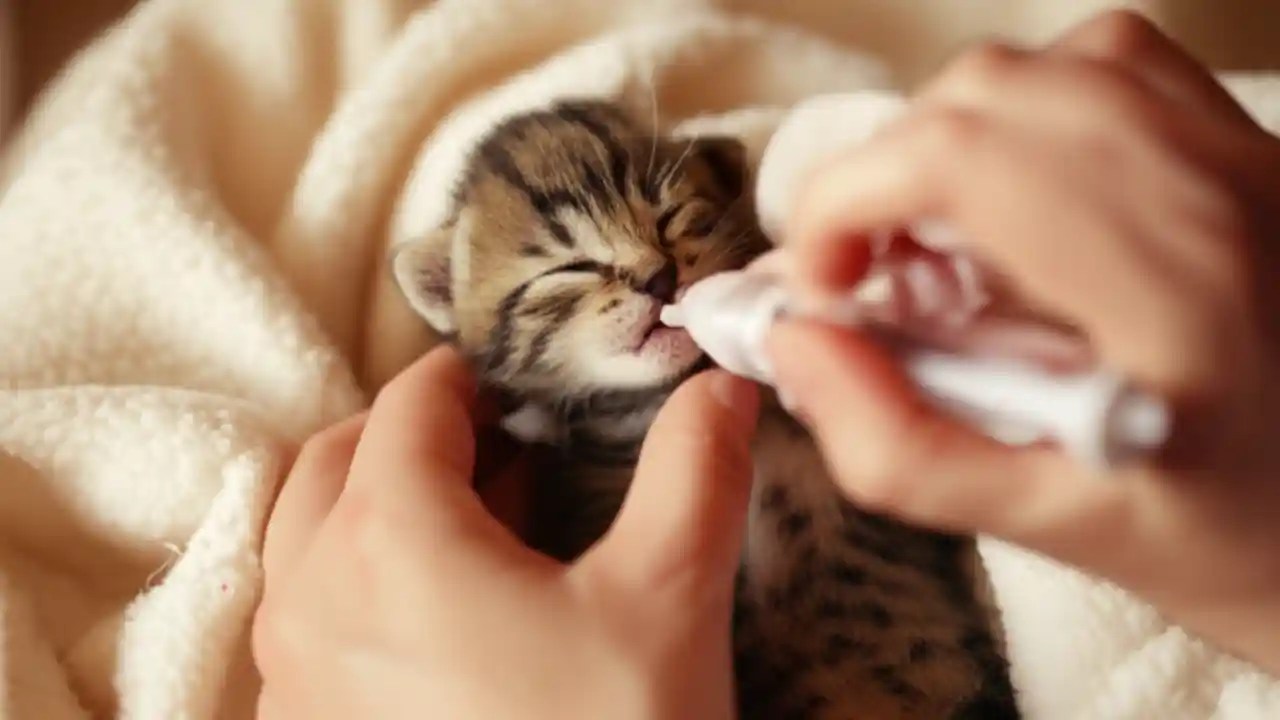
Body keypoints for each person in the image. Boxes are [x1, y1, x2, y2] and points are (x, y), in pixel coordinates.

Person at [251, 10, 1280, 718]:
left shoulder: (812, 360)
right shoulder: (558, 501)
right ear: (456, 311)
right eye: (564, 271)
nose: (649, 268)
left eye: (670, 217)